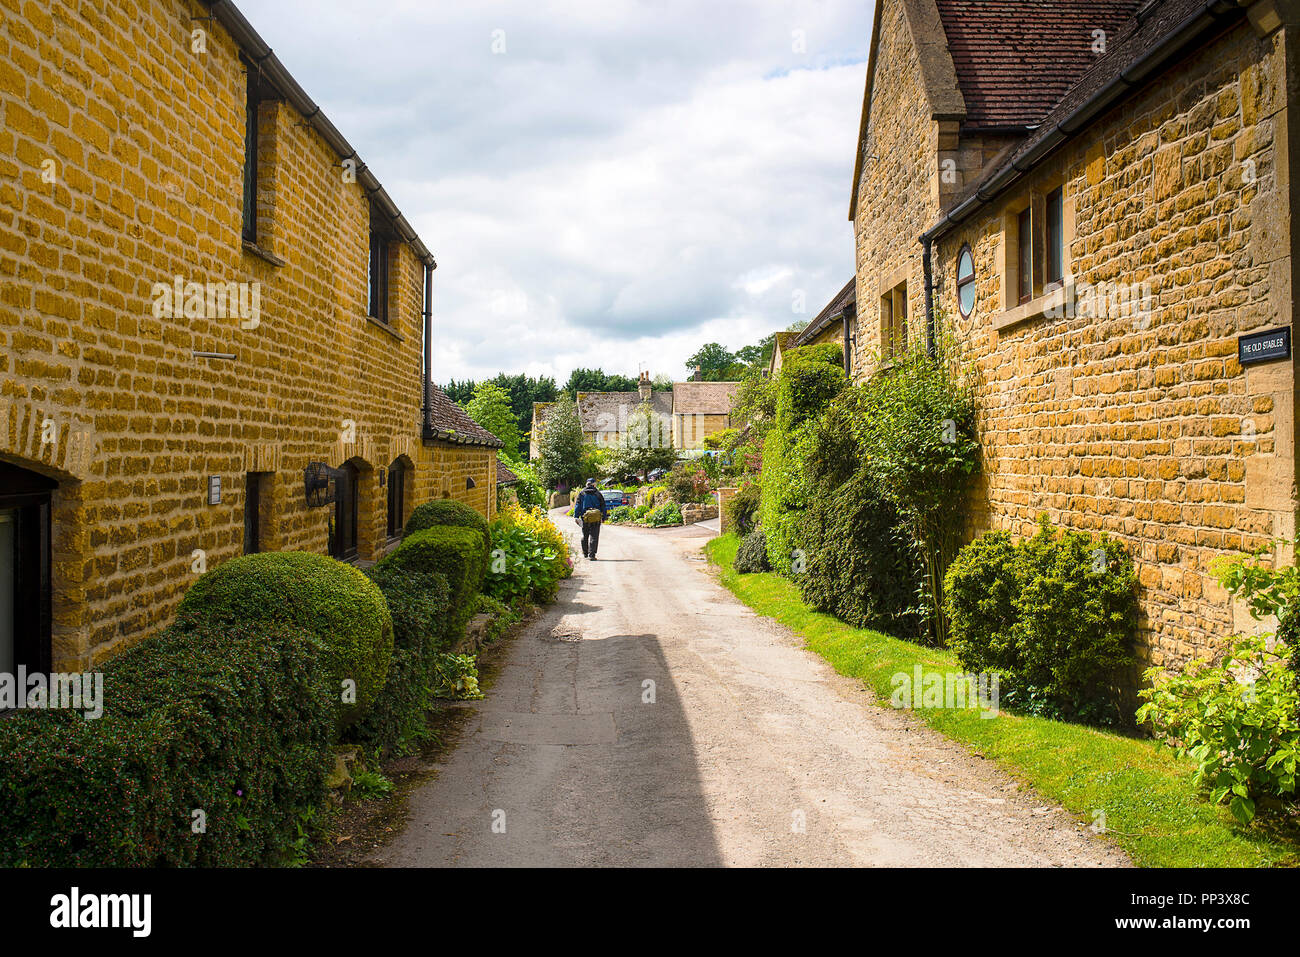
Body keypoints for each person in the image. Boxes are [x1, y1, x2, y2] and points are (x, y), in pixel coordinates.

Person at [571, 478, 610, 560]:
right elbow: (603, 505)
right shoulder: (598, 493)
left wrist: (576, 516)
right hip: (596, 518)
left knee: (585, 535)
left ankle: (585, 553)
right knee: (594, 536)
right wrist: (604, 517)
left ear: (587, 484)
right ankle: (592, 555)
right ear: (593, 484)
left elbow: (578, 505)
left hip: (585, 517)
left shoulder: (582, 493)